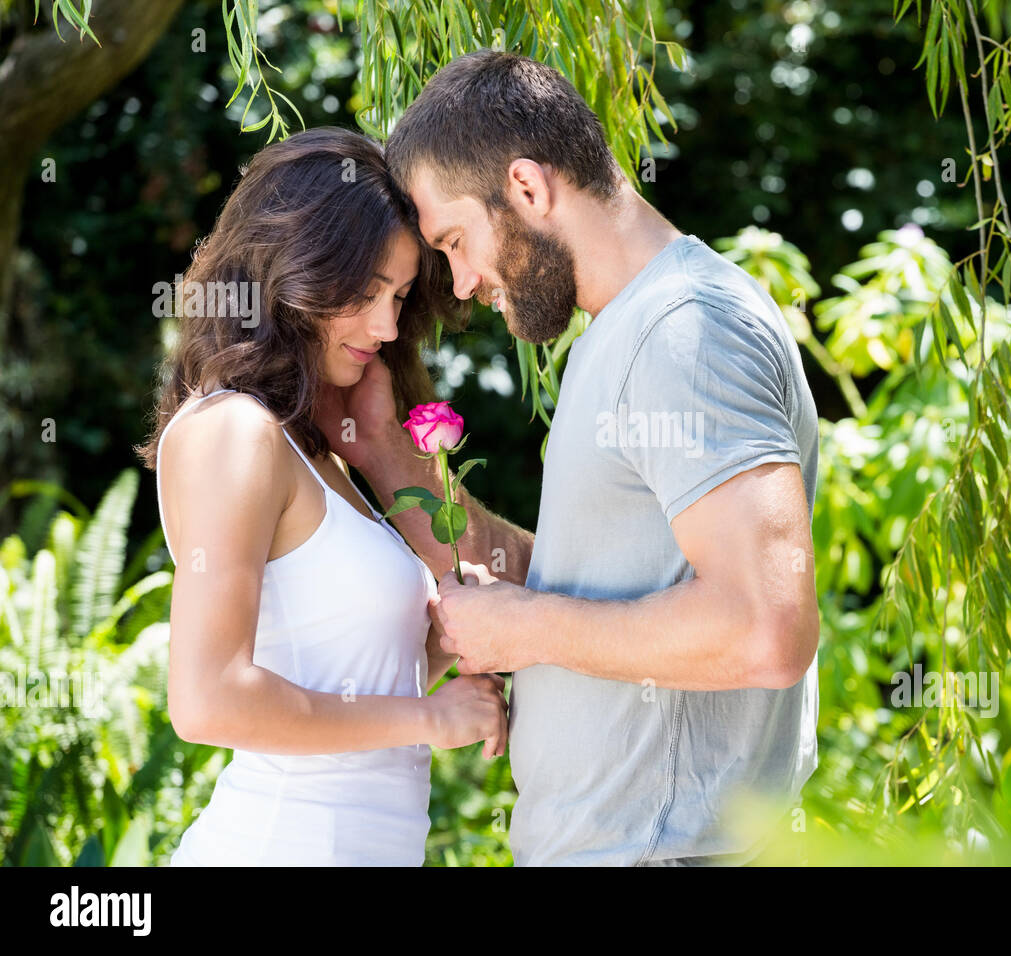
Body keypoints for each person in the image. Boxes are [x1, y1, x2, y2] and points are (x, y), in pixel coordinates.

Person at [348, 50, 822, 865]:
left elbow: (766, 628)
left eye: (455, 241)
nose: (460, 283)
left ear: (527, 188)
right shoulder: (629, 331)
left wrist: (529, 629)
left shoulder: (684, 331)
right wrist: (386, 451)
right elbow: (593, 590)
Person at [136, 126, 509, 866]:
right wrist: (430, 719)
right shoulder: (233, 432)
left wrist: (450, 638)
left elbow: (344, 670)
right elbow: (208, 700)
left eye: (398, 296)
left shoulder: (312, 449)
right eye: (366, 293)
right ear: (293, 269)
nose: (387, 326)